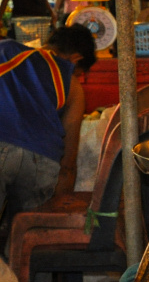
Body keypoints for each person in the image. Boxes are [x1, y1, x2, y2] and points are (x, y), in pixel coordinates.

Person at [0, 24, 94, 247]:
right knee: (32, 243)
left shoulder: (6, 50)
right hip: (41, 163)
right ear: (75, 59)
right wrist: (56, 216)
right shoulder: (72, 86)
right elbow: (68, 165)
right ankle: (34, 279)